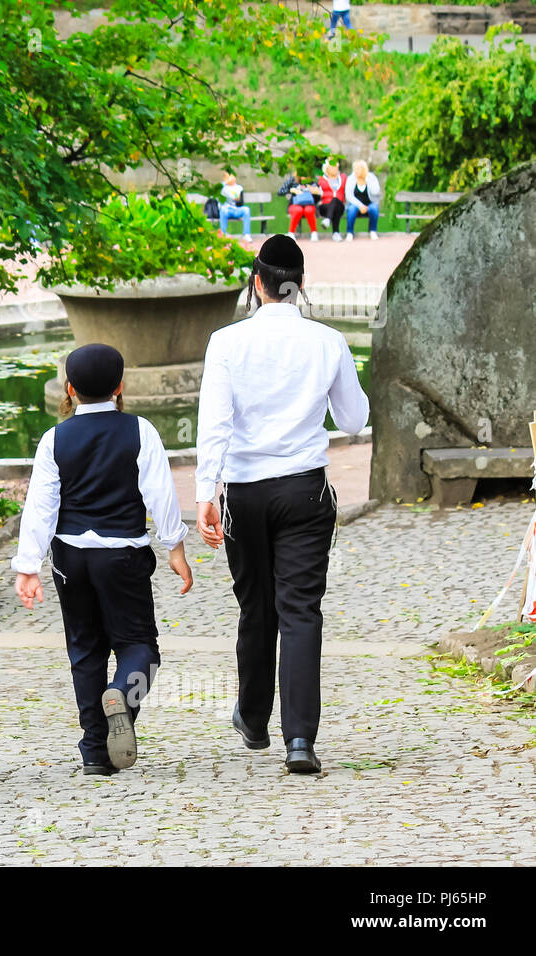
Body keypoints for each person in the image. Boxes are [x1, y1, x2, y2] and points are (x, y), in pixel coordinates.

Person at [194, 235, 368, 774]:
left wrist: (206, 493)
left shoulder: (226, 342)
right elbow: (354, 420)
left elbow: (214, 424)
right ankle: (300, 740)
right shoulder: (328, 341)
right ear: (299, 285)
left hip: (244, 491)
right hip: (304, 490)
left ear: (256, 282)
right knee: (300, 610)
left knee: (255, 606)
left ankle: (252, 716)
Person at [13, 344, 193, 776]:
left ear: (70, 390)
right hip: (124, 556)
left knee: (85, 650)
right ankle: (121, 694)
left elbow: (40, 506)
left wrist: (28, 566)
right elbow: (160, 494)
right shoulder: (140, 431)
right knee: (140, 650)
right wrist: (176, 548)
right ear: (120, 387)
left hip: (70, 560)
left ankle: (95, 750)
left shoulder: (55, 439)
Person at [279, 168, 321, 242]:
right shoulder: (293, 180)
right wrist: (291, 190)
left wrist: (313, 191)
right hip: (294, 205)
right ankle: (291, 233)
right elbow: (280, 191)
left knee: (309, 210)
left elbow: (318, 197)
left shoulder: (312, 182)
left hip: (309, 205)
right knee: (298, 210)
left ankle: (314, 232)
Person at [344, 160, 382, 240]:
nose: (356, 171)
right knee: (351, 209)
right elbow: (349, 196)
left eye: (358, 169)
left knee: (374, 208)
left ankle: (373, 231)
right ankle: (350, 232)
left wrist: (367, 179)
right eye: (355, 169)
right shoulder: (351, 178)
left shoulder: (371, 177)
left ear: (363, 169)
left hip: (369, 203)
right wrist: (360, 206)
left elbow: (376, 191)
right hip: (355, 204)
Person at [317, 160, 347, 240]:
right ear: (327, 169)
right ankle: (336, 233)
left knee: (336, 202)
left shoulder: (343, 178)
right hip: (325, 206)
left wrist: (326, 194)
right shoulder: (321, 180)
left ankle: (328, 220)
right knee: (335, 203)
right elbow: (317, 193)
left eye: (336, 167)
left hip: (340, 205)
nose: (335, 169)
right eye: (333, 167)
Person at [218, 172, 253, 242]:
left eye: (231, 176)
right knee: (223, 210)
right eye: (227, 177)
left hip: (236, 210)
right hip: (227, 210)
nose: (231, 178)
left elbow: (237, 198)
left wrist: (235, 195)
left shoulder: (238, 187)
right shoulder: (223, 187)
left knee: (246, 209)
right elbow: (218, 188)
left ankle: (246, 234)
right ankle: (224, 233)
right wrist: (227, 181)